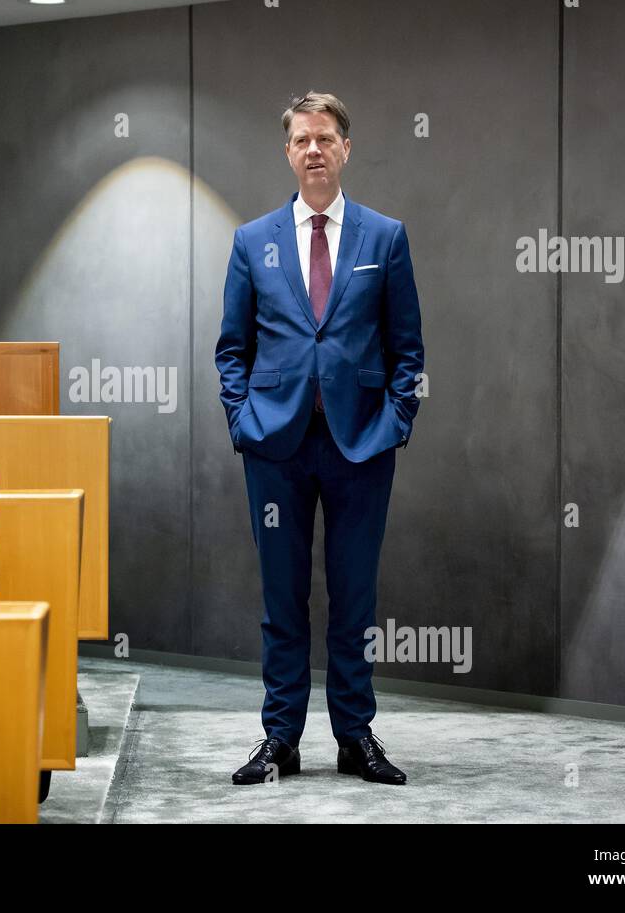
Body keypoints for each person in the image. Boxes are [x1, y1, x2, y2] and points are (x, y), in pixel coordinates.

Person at [215, 92, 424, 786]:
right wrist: (242, 420)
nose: (314, 149)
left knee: (354, 599)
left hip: (360, 445)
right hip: (275, 446)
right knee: (282, 601)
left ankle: (355, 736)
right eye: (302, 139)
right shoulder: (253, 241)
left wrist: (395, 421)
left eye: (325, 138)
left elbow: (407, 347)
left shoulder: (384, 237)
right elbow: (232, 349)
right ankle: (280, 737)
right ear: (287, 152)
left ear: (345, 149)